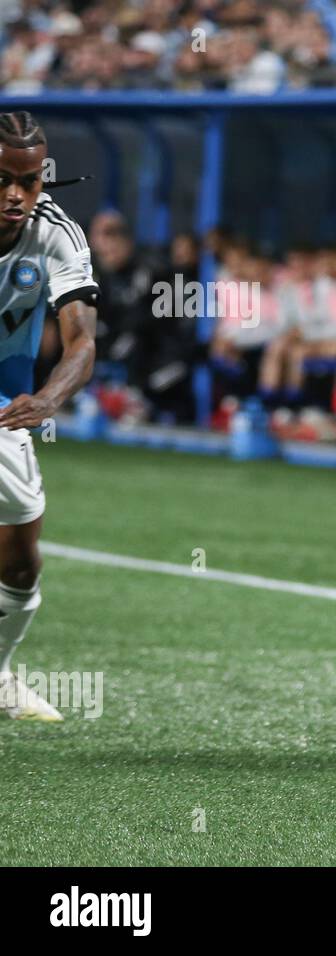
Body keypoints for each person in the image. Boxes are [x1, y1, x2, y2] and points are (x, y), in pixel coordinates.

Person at [0, 112, 99, 720]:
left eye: (30, 181)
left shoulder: (57, 233)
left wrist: (50, 399)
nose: (16, 194)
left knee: (19, 557)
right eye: (2, 179)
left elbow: (81, 339)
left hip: (4, 409)